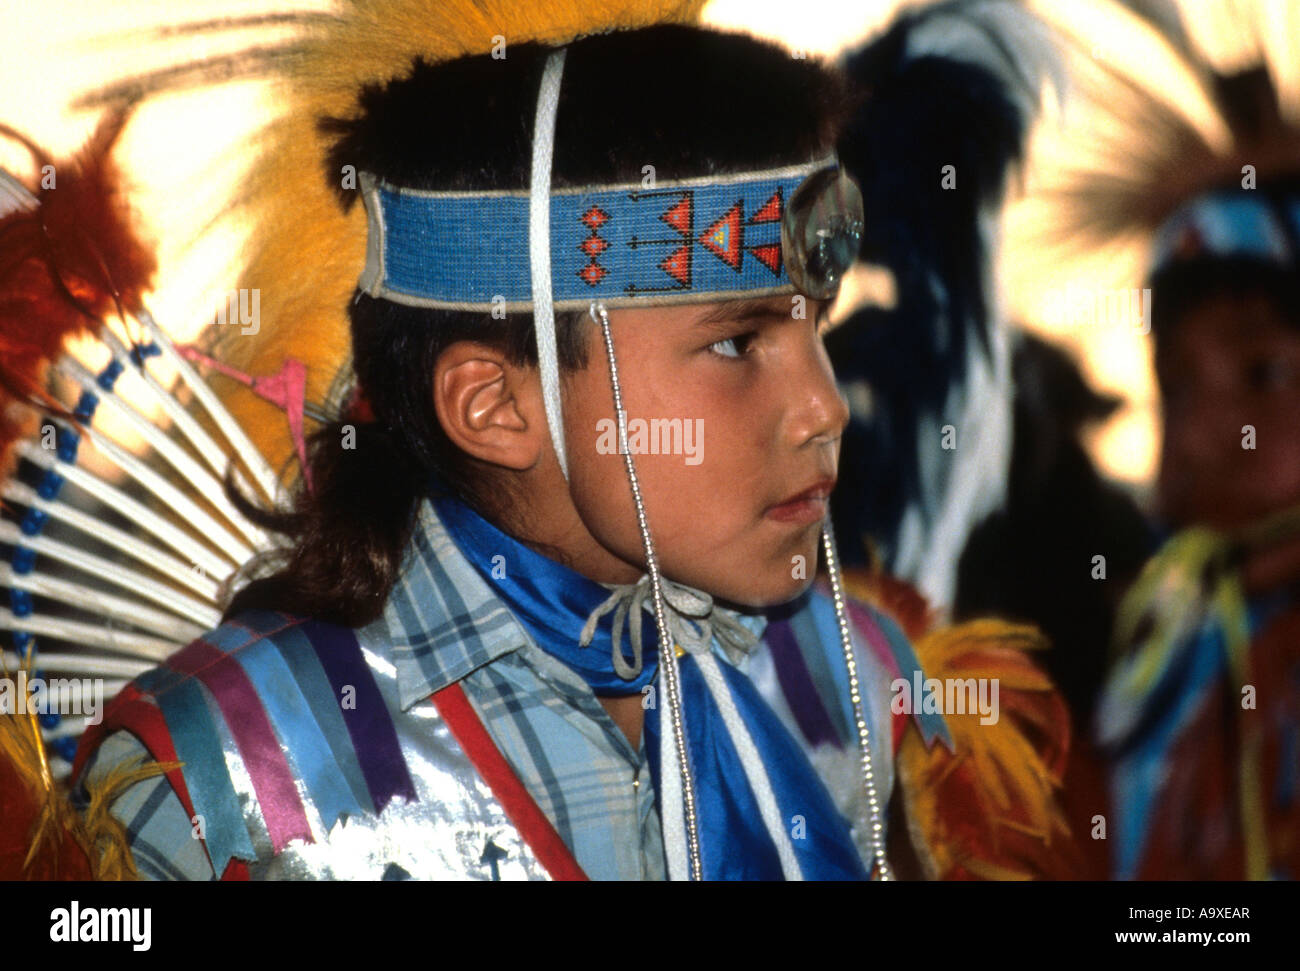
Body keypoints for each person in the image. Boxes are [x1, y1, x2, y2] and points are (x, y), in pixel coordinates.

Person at [58, 3, 1072, 881]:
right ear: (496, 405)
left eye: (814, 321)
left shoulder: (851, 677)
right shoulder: (219, 780)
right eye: (736, 341)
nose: (821, 405)